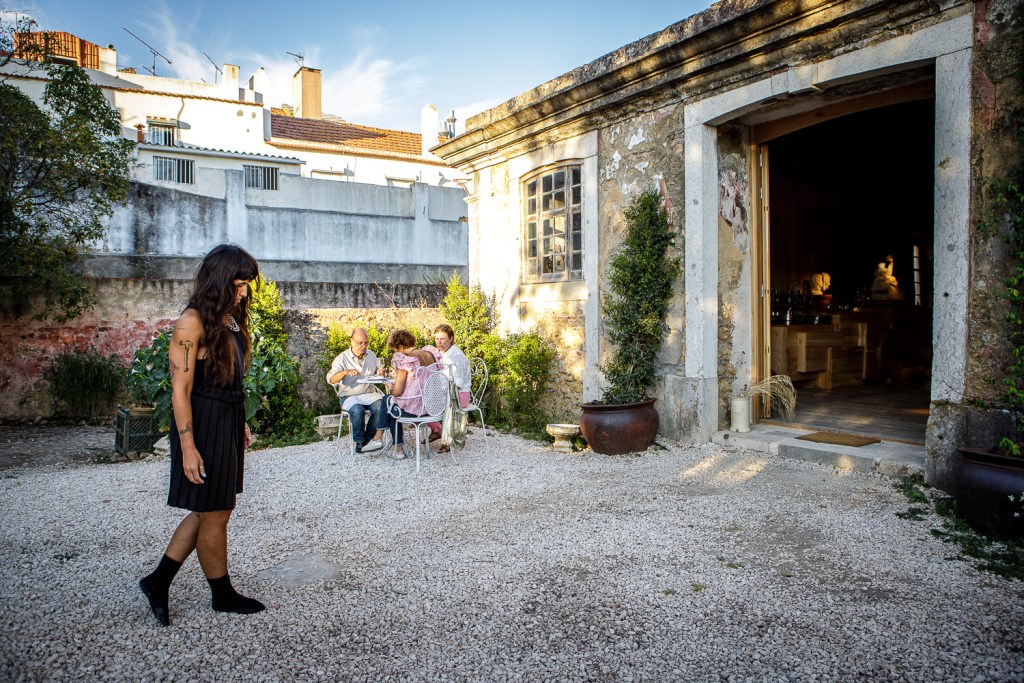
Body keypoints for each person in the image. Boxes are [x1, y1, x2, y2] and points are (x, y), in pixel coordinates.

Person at [138, 244, 264, 627]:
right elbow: (180, 389)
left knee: (213, 507)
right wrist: (188, 446)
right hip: (201, 422)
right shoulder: (191, 322)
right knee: (216, 511)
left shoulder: (231, 320)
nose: (244, 292)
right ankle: (221, 594)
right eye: (238, 284)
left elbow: (229, 375)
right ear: (218, 281)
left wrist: (238, 417)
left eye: (246, 285)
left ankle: (158, 580)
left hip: (225, 417)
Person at [374, 329, 442, 460]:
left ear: (400, 346)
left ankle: (384, 442)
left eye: (395, 349)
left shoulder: (407, 360)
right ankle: (384, 442)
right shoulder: (430, 354)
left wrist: (390, 386)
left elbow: (397, 392)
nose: (396, 352)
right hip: (432, 407)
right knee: (392, 404)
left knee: (390, 403)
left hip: (417, 410)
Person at [326, 328, 385, 453]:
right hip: (349, 395)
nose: (363, 346)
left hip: (368, 393)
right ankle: (359, 442)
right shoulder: (341, 359)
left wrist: (379, 373)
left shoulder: (371, 355)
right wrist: (345, 372)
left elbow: (373, 374)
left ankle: (369, 440)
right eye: (360, 343)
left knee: (382, 407)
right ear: (351, 341)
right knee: (357, 410)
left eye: (366, 343)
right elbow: (331, 379)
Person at [433, 324, 472, 409]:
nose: (439, 342)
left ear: (451, 339)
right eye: (437, 339)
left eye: (443, 339)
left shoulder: (457, 356)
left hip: (459, 396)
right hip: (446, 393)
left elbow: (457, 384)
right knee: (422, 403)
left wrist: (439, 395)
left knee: (428, 406)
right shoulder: (440, 354)